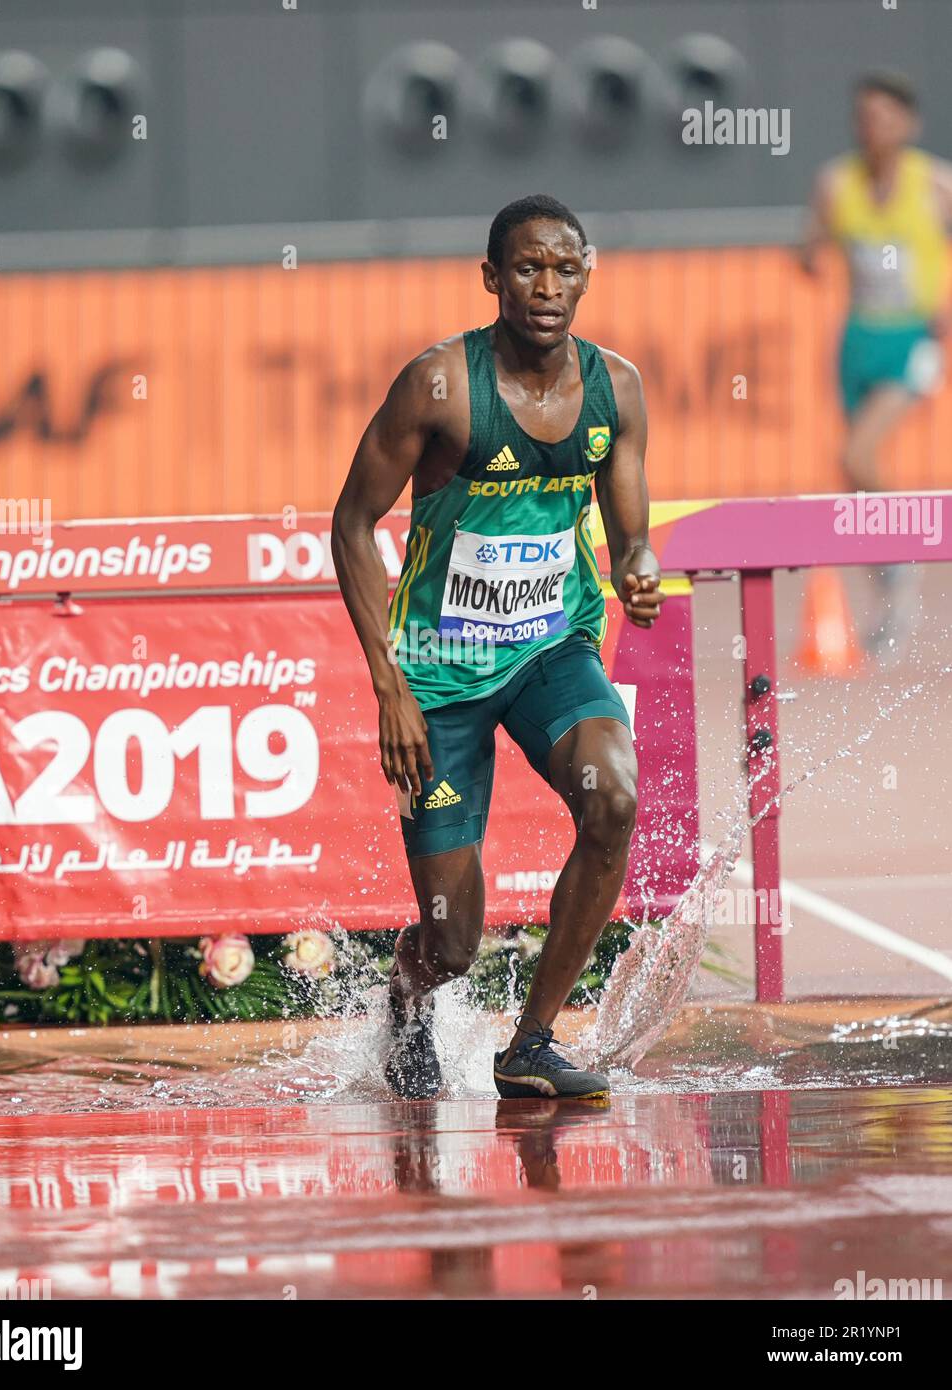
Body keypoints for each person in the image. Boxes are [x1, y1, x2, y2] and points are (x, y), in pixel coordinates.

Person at [331, 194, 664, 1100]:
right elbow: (352, 524)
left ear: (586, 273)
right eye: (526, 268)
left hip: (550, 648)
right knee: (452, 943)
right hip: (437, 675)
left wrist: (637, 569)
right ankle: (407, 999)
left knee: (613, 799)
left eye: (564, 267)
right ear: (492, 279)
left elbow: (629, 534)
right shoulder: (440, 386)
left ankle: (531, 1043)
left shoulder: (616, 387)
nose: (546, 287)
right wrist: (390, 688)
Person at [801, 71, 952, 659]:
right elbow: (811, 244)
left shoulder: (936, 184)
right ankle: (890, 602)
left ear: (909, 123)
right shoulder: (836, 183)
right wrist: (810, 255)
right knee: (853, 481)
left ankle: (905, 558)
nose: (874, 127)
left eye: (886, 116)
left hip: (912, 338)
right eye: (865, 116)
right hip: (858, 337)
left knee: (856, 455)